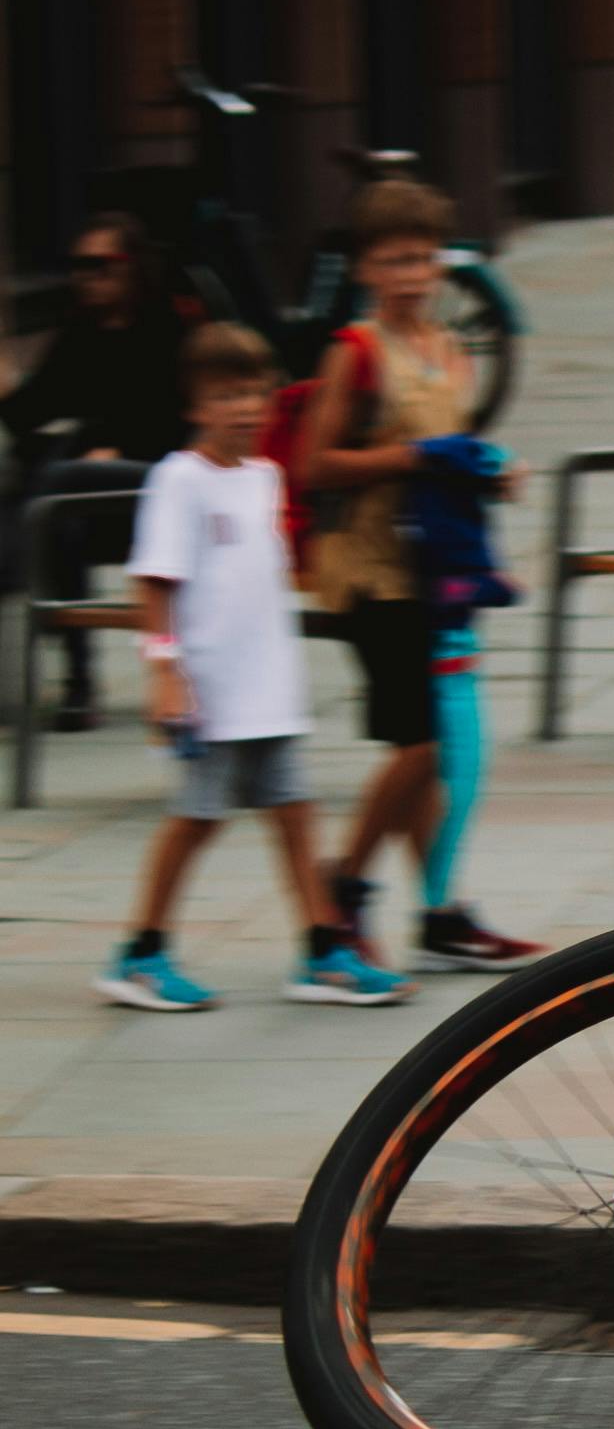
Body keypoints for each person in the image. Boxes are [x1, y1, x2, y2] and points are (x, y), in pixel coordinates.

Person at [98, 325, 411, 1013]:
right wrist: (164, 673)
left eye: (253, 392)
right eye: (225, 395)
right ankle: (141, 952)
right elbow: (155, 583)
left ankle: (321, 950)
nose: (243, 407)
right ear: (195, 405)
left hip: (268, 689)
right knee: (196, 819)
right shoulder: (178, 479)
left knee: (295, 814)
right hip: (209, 691)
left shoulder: (265, 477)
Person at [299, 180, 541, 975]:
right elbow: (314, 464)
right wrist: (408, 459)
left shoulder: (451, 349)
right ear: (365, 267)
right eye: (395, 259)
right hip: (371, 573)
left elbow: (453, 448)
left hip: (437, 571)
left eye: (424, 257)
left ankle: (440, 911)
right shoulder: (356, 352)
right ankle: (345, 888)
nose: (412, 273)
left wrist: (491, 472)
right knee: (421, 744)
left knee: (423, 745)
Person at [4, 216, 186, 731]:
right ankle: (78, 677)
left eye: (100, 265)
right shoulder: (78, 337)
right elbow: (29, 409)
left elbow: (184, 426)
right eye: (78, 267)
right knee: (55, 511)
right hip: (87, 501)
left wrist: (121, 449)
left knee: (56, 489)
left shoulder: (168, 332)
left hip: (157, 494)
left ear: (133, 268)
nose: (87, 277)